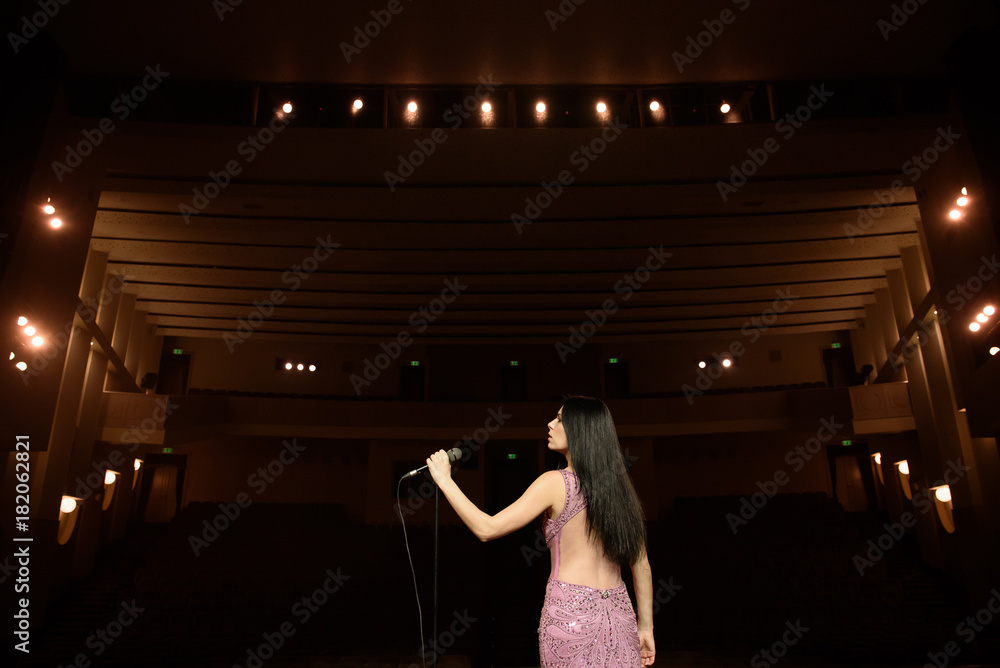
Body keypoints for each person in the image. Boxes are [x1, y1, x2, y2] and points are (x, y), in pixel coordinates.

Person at [425, 395, 655, 667]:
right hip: (620, 617)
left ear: (580, 429)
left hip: (570, 616)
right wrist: (645, 628)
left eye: (559, 419)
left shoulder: (555, 483)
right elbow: (641, 565)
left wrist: (444, 479)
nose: (549, 424)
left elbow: (486, 528)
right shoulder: (621, 491)